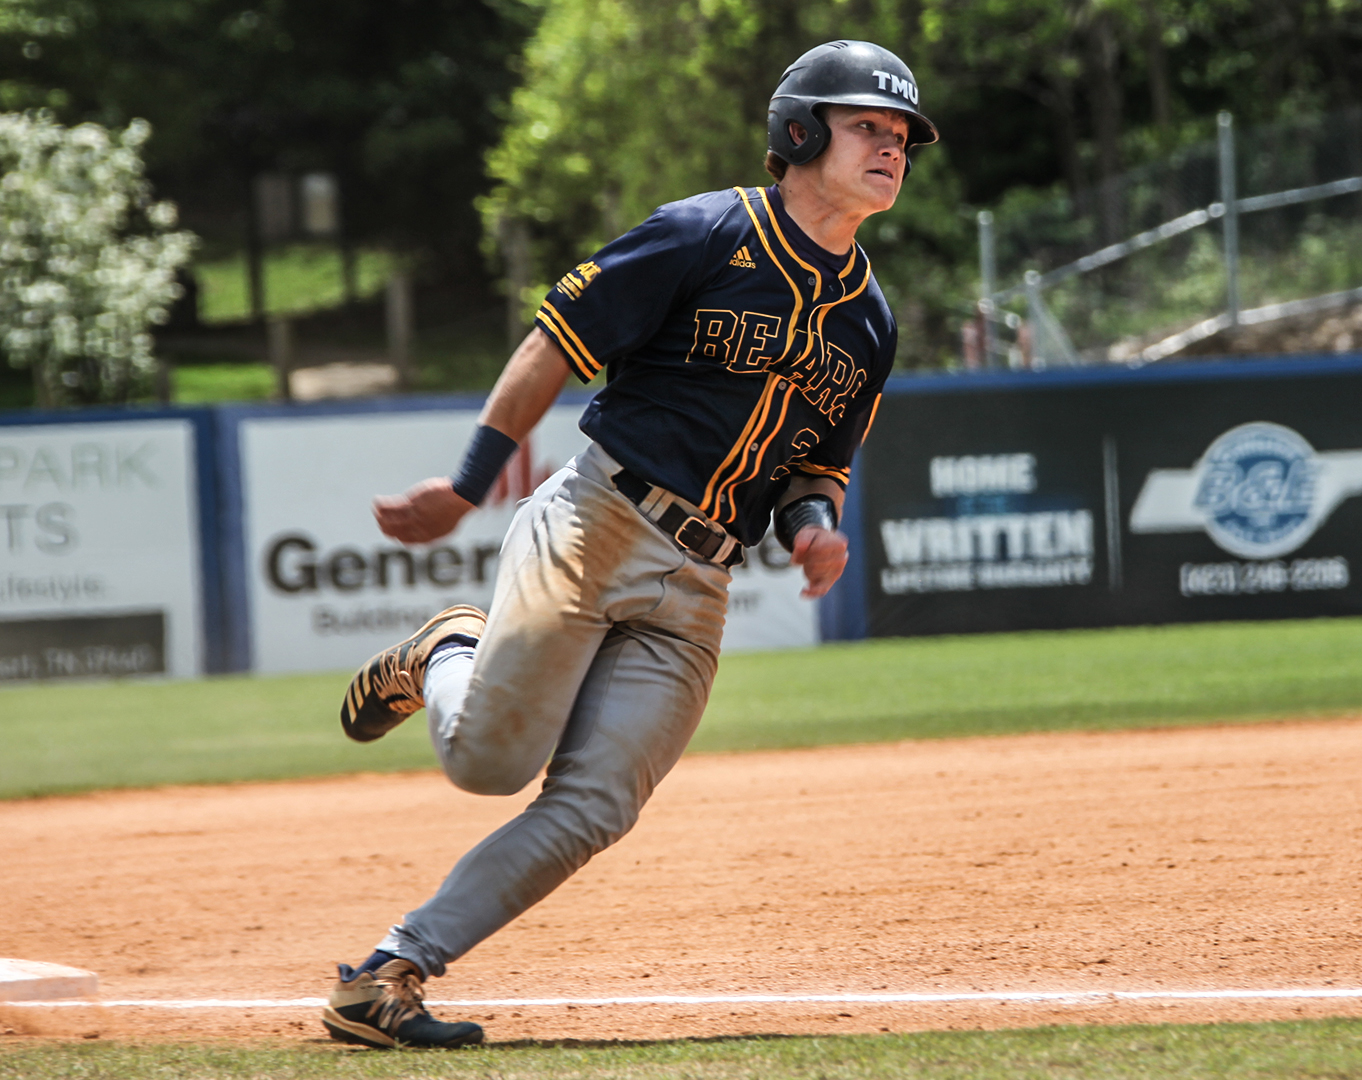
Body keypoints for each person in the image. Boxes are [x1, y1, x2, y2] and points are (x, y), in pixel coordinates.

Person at [318, 40, 937, 1049]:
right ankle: (446, 654)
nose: (892, 148)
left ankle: (388, 975)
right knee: (487, 765)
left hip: (701, 582)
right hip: (598, 525)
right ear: (799, 131)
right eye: (868, 125)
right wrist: (470, 484)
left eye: (903, 136)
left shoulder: (869, 319)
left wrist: (817, 528)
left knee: (599, 803)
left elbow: (819, 464)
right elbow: (555, 342)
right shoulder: (704, 233)